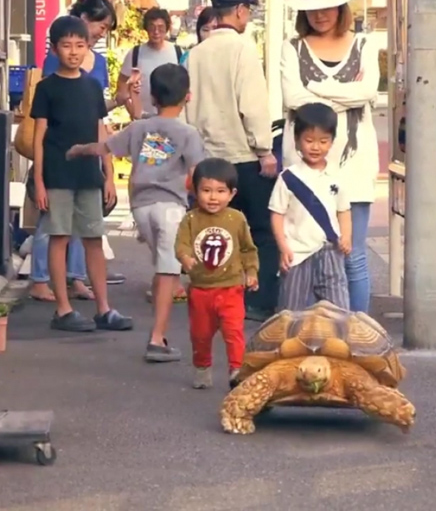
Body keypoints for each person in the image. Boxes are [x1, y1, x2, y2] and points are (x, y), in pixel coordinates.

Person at [66, 63, 205, 362]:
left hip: (141, 207)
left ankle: (160, 334)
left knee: (161, 267)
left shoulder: (140, 127)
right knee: (169, 272)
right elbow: (195, 177)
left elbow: (104, 147)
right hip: (170, 207)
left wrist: (77, 149)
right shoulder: (189, 133)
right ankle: (157, 339)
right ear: (188, 97)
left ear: (153, 96)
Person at [282, 0, 380, 314]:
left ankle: (357, 340)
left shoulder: (364, 44)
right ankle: (306, 341)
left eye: (328, 6)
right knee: (303, 256)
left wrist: (316, 91)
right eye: (313, 7)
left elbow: (368, 91)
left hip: (353, 166)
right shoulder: (292, 48)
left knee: (351, 257)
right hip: (304, 169)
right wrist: (346, 95)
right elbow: (294, 98)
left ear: (341, 7)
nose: (321, 14)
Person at [30, 16, 132, 333]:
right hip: (58, 174)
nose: (73, 52)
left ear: (88, 48)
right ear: (55, 48)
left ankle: (104, 308)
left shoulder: (91, 86)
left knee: (93, 239)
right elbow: (39, 137)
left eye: (79, 45)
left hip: (89, 174)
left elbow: (101, 132)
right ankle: (63, 309)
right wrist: (39, 181)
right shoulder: (46, 88)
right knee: (59, 238)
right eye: (66, 45)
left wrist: (109, 173)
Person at [184, 0, 278, 322]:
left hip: (208, 160)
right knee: (259, 233)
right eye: (247, 11)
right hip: (243, 157)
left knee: (215, 232)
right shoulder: (242, 49)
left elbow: (187, 108)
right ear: (239, 11)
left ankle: (215, 300)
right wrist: (265, 149)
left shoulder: (196, 53)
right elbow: (252, 105)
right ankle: (257, 301)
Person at [175, 158, 259, 390]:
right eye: (206, 190)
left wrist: (251, 272)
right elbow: (181, 244)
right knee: (200, 335)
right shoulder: (191, 219)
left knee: (234, 331)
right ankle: (202, 366)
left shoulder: (236, 219)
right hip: (201, 290)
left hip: (231, 287)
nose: (213, 197)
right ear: (195, 190)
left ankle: (237, 370)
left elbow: (247, 249)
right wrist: (185, 257)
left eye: (220, 191)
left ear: (231, 194)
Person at [269, 103, 351, 311]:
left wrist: (347, 236)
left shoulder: (337, 175)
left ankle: (337, 344)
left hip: (330, 251)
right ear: (297, 141)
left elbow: (343, 210)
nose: (316, 147)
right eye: (309, 140)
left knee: (339, 311)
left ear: (332, 141)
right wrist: (283, 247)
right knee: (290, 312)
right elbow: (277, 214)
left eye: (323, 141)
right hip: (297, 254)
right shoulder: (288, 177)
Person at [117, 7, 183, 119]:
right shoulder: (135, 53)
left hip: (171, 118)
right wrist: (133, 110)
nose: (156, 32)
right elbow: (121, 85)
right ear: (146, 28)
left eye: (161, 28)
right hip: (143, 118)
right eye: (152, 27)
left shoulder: (178, 52)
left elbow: (185, 86)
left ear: (167, 28)